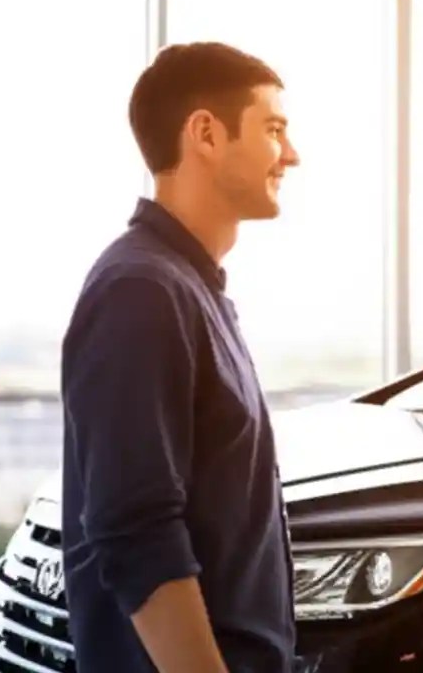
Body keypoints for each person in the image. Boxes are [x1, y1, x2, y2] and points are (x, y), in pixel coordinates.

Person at [60, 42, 301, 672]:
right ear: (205, 134)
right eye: (274, 129)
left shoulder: (190, 288)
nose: (292, 155)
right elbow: (136, 532)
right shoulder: (140, 291)